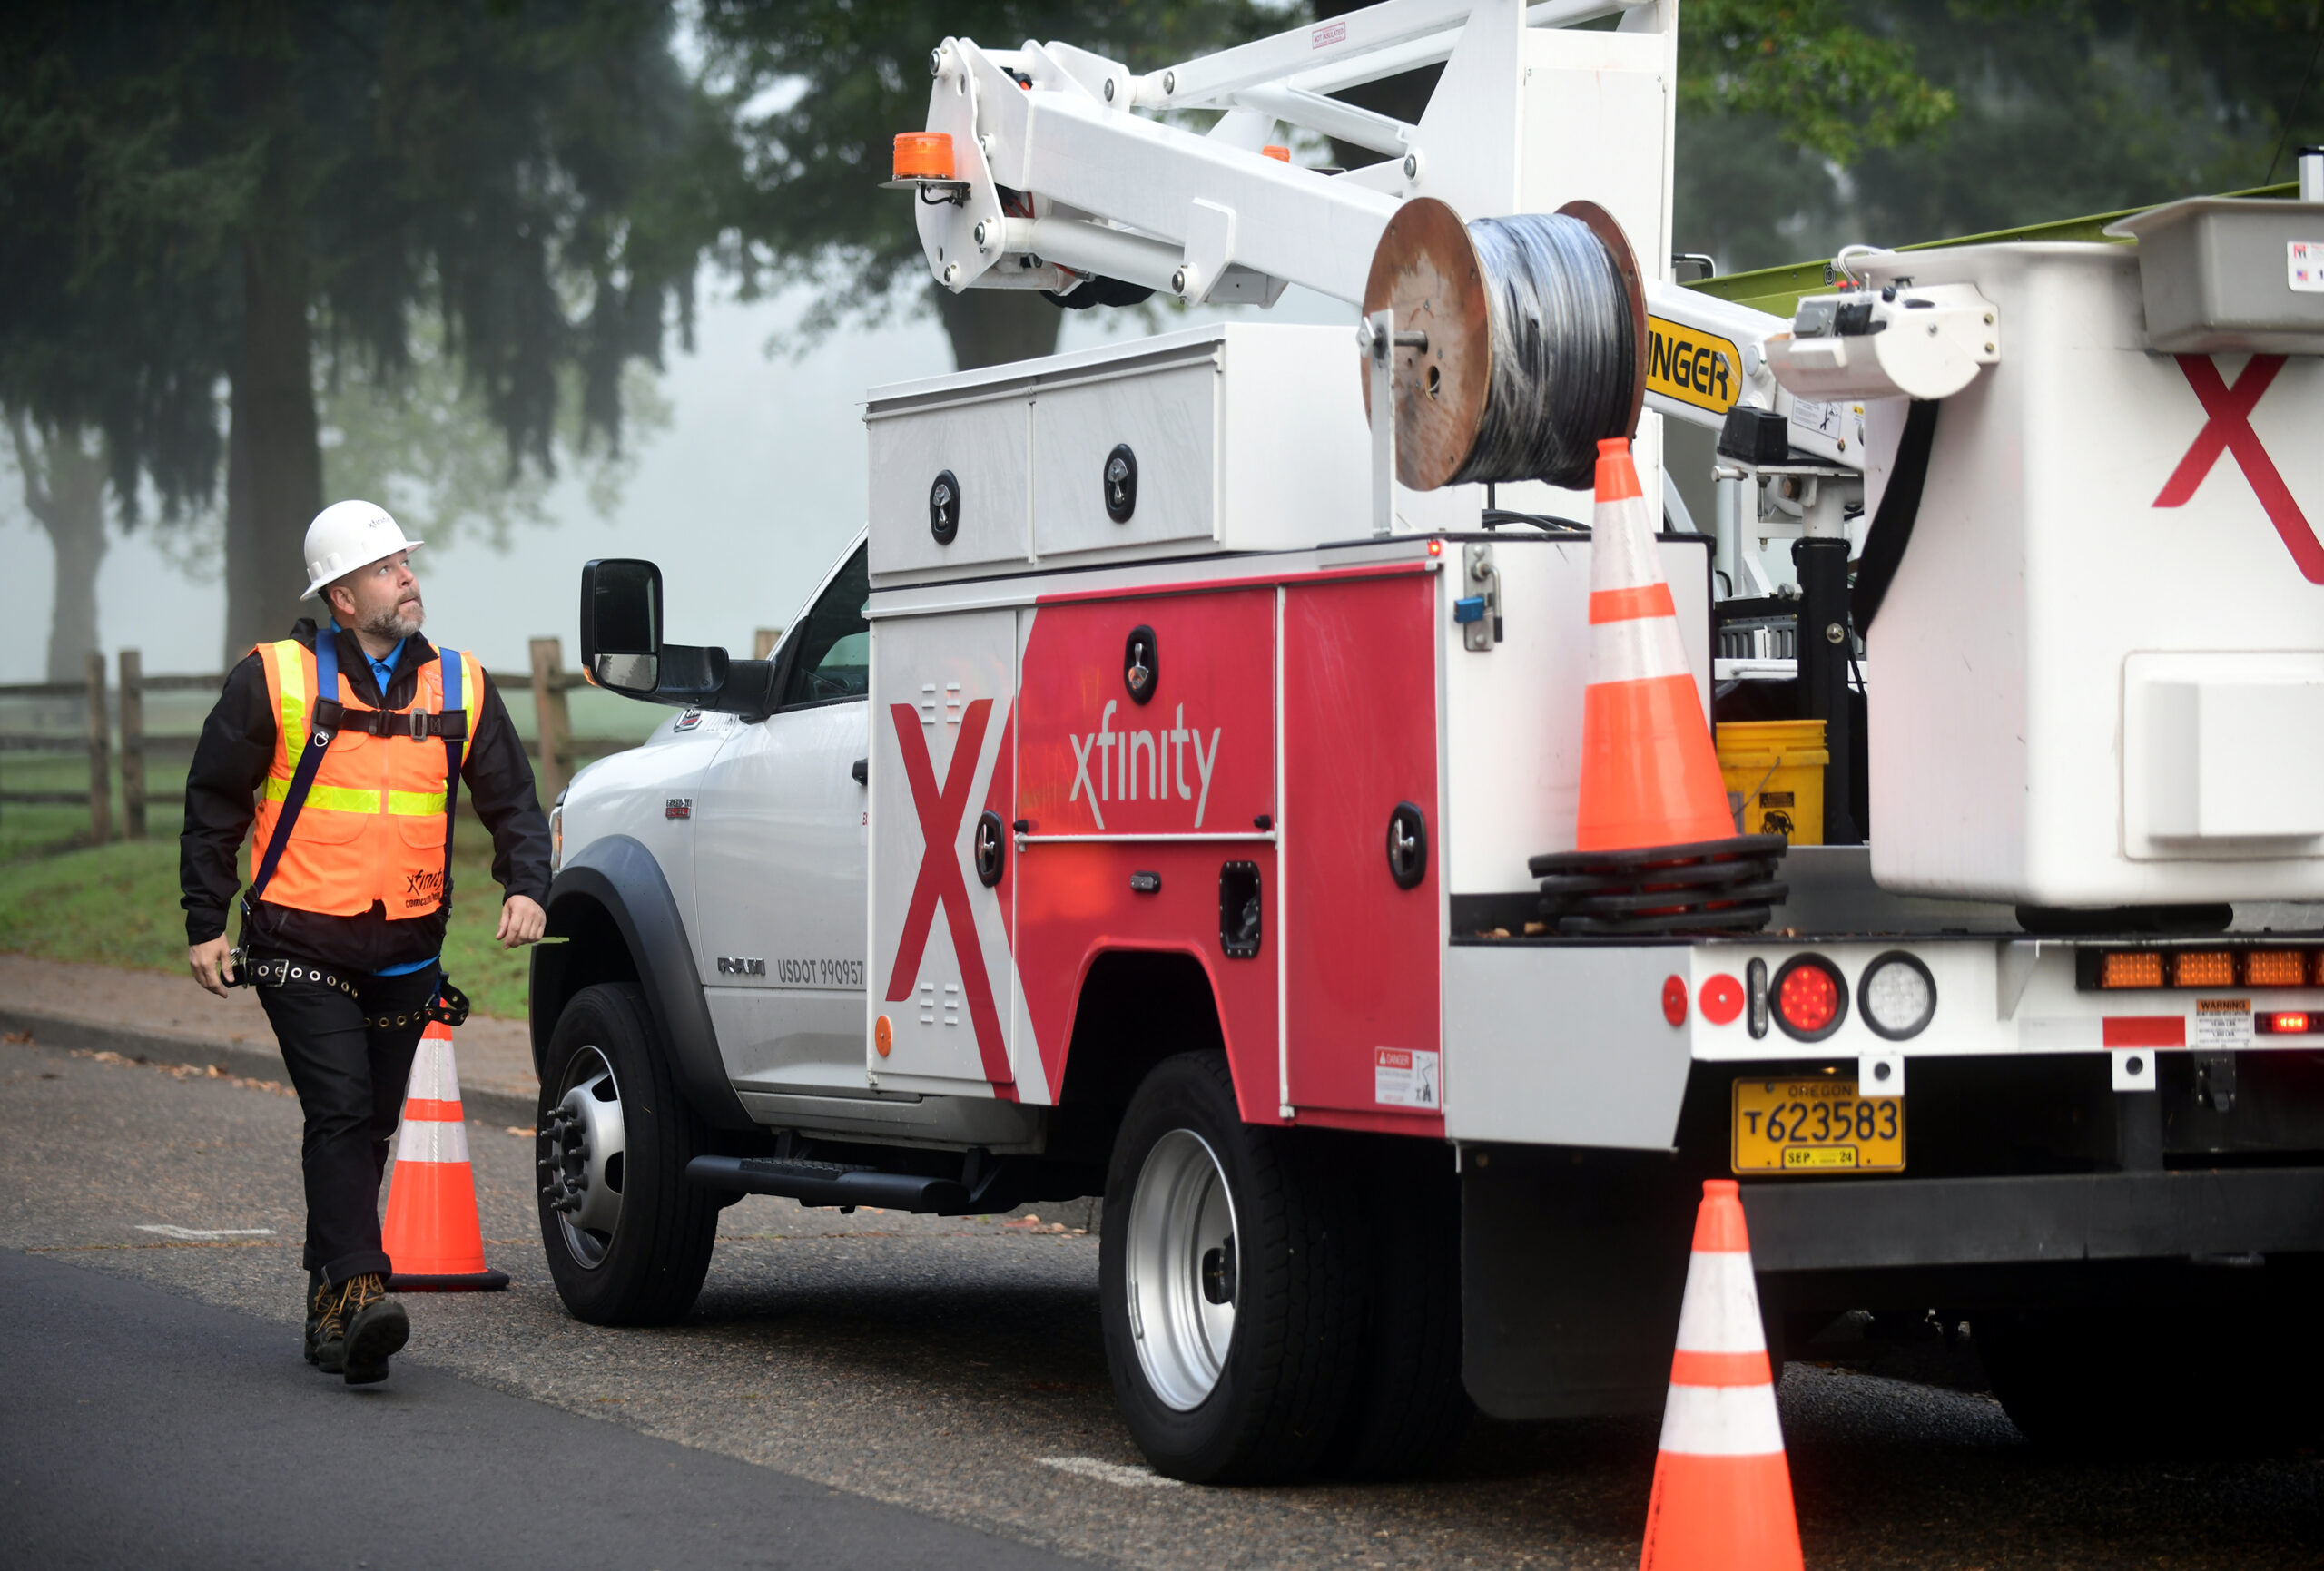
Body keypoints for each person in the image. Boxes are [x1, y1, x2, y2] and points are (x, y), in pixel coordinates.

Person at [181, 500, 550, 1386]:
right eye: (387, 568)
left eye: (407, 564)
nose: (408, 578)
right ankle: (359, 1290)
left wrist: (528, 884)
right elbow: (213, 806)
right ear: (342, 598)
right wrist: (205, 921)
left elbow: (512, 803)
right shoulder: (273, 678)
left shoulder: (458, 684)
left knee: (371, 1127)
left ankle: (327, 1310)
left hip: (408, 954)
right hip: (295, 940)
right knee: (342, 1110)